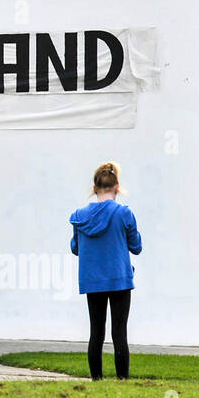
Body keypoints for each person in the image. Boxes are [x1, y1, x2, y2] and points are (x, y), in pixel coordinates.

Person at [69, 161, 142, 380]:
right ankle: (122, 380)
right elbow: (136, 246)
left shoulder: (80, 216)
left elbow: (76, 248)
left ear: (94, 188)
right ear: (117, 188)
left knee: (96, 333)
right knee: (119, 333)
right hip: (119, 279)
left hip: (93, 280)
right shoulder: (124, 214)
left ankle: (97, 380)